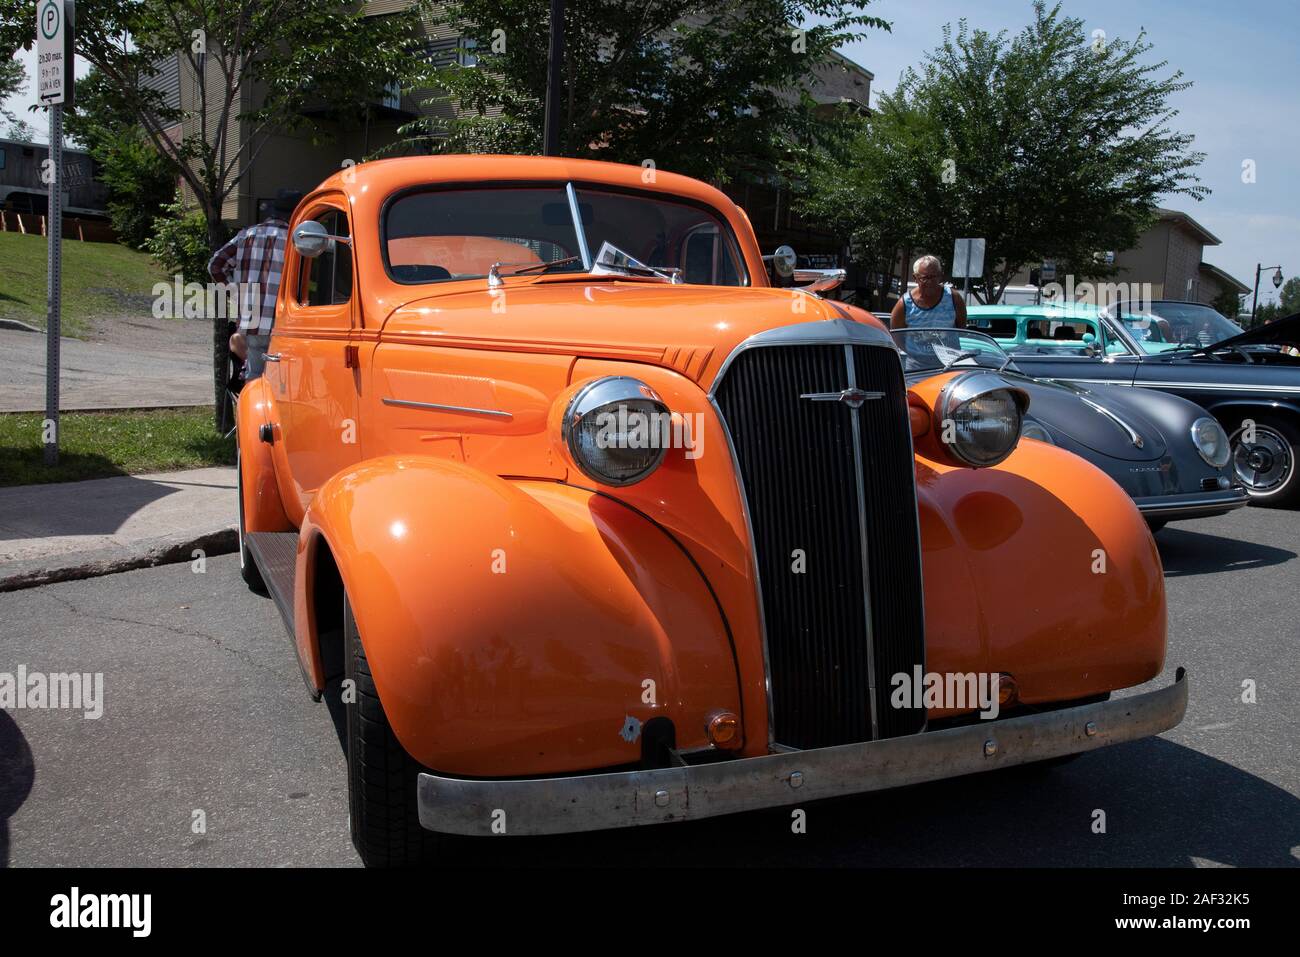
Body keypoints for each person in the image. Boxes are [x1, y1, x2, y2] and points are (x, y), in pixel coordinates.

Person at [207, 190, 302, 379]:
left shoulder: (246, 235)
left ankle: (252, 406)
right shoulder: (295, 241)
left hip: (253, 319)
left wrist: (236, 294)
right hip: (284, 321)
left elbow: (215, 266)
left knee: (255, 376)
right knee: (281, 380)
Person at [889, 254, 968, 330]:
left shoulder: (953, 298)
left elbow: (962, 330)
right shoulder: (905, 304)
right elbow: (897, 337)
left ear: (940, 276)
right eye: (925, 278)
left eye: (933, 277)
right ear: (915, 278)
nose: (930, 282)